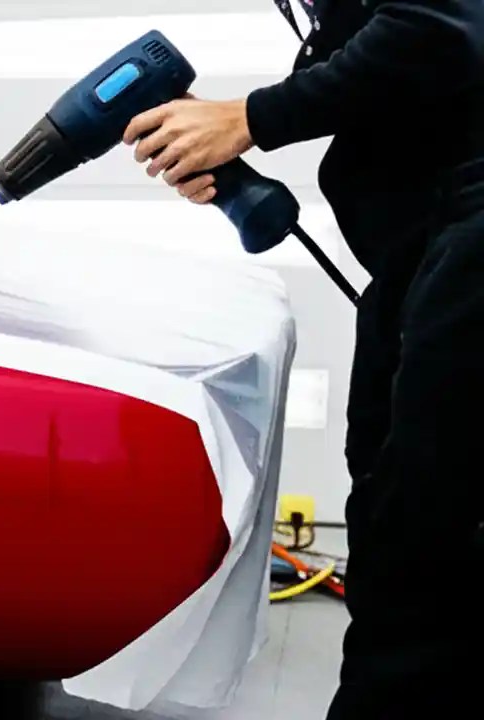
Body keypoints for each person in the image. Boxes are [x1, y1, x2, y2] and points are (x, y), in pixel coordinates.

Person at [121, 1, 484, 717]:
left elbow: (448, 25)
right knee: (386, 514)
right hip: (419, 255)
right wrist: (218, 141)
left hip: (469, 240)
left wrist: (249, 117)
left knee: (429, 534)